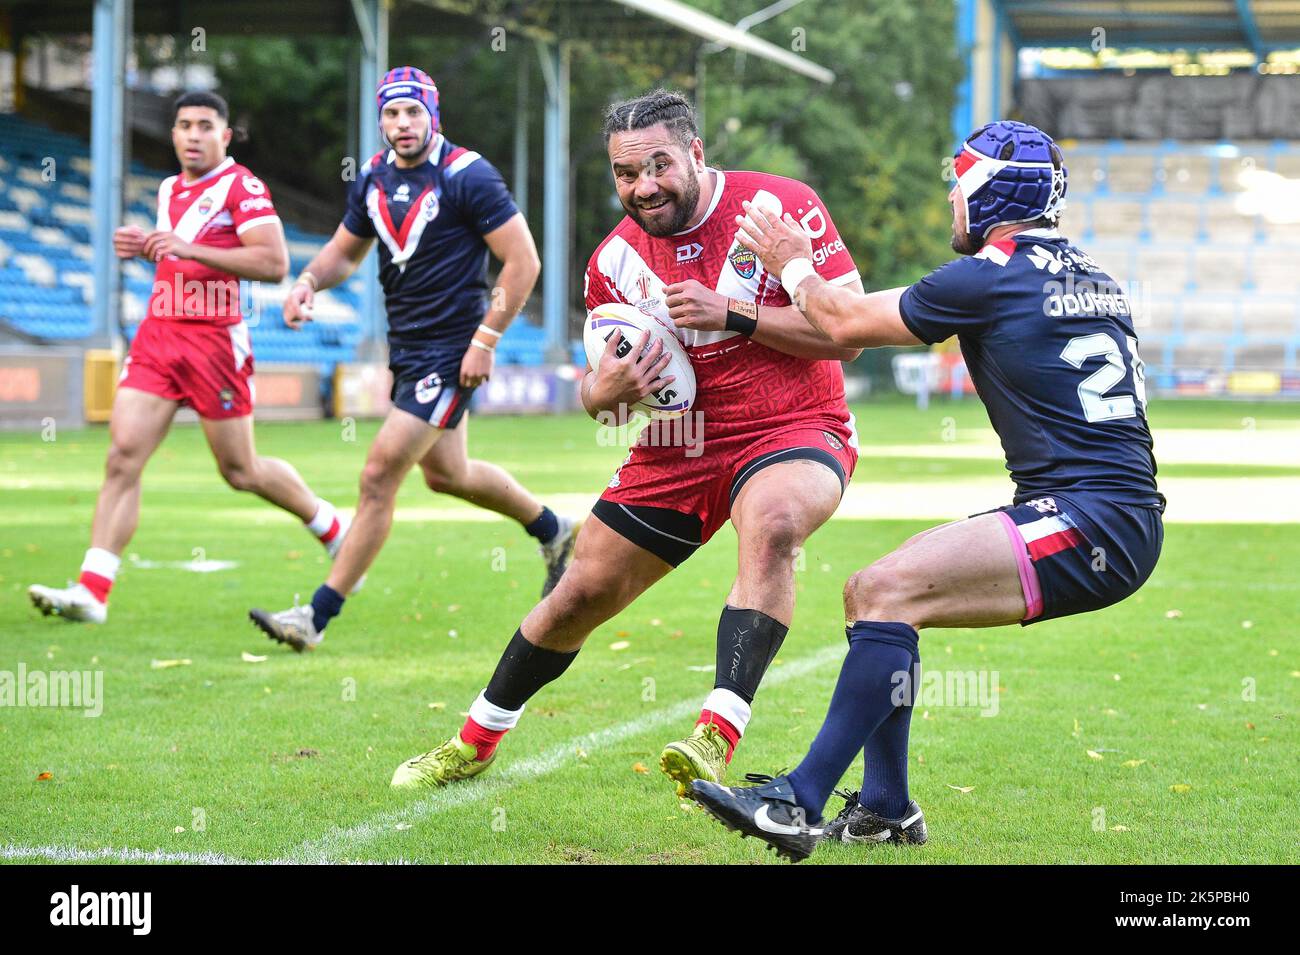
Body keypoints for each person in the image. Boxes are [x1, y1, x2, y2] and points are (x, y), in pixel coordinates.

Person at [691, 120, 1165, 862]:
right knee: (872, 593)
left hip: (1094, 519)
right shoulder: (1089, 275)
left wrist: (793, 263)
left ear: (991, 194)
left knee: (885, 591)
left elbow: (844, 322)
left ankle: (796, 801)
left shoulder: (989, 274)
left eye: (960, 183)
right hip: (1104, 510)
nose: (951, 197)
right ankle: (885, 809)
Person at [389, 89, 866, 793]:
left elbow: (848, 333)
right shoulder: (612, 260)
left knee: (773, 525)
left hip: (793, 423)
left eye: (659, 166)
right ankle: (474, 741)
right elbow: (602, 403)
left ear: (695, 153)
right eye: (625, 173)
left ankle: (714, 735)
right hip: (679, 443)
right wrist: (603, 391)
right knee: (579, 592)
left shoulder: (780, 205)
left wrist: (734, 313)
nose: (643, 187)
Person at [248, 67, 577, 652]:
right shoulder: (372, 178)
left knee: (377, 476)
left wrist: (485, 341)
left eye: (413, 112)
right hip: (407, 348)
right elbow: (344, 253)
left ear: (433, 114)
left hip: (451, 350)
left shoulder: (468, 175)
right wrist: (307, 282)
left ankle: (315, 617)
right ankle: (555, 529)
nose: (402, 123)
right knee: (448, 474)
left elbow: (523, 261)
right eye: (391, 113)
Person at [29, 91, 350, 625]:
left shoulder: (241, 186)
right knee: (122, 457)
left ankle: (332, 526)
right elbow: (178, 254)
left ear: (224, 135)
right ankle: (92, 590)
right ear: (174, 133)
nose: (193, 135)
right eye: (183, 125)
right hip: (160, 336)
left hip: (214, 342)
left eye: (204, 125)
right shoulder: (169, 188)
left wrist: (187, 248)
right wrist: (148, 247)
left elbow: (273, 263)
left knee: (240, 470)